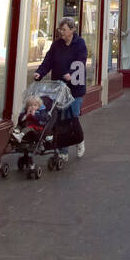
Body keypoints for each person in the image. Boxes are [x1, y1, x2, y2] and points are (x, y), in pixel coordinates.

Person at [35, 18, 87, 158]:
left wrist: (71, 74)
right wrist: (39, 72)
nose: (61, 32)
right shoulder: (56, 45)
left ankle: (79, 140)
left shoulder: (79, 44)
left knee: (72, 117)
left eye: (64, 29)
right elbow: (48, 61)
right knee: (59, 119)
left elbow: (81, 61)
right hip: (58, 88)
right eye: (60, 29)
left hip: (74, 88)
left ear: (72, 30)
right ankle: (63, 151)